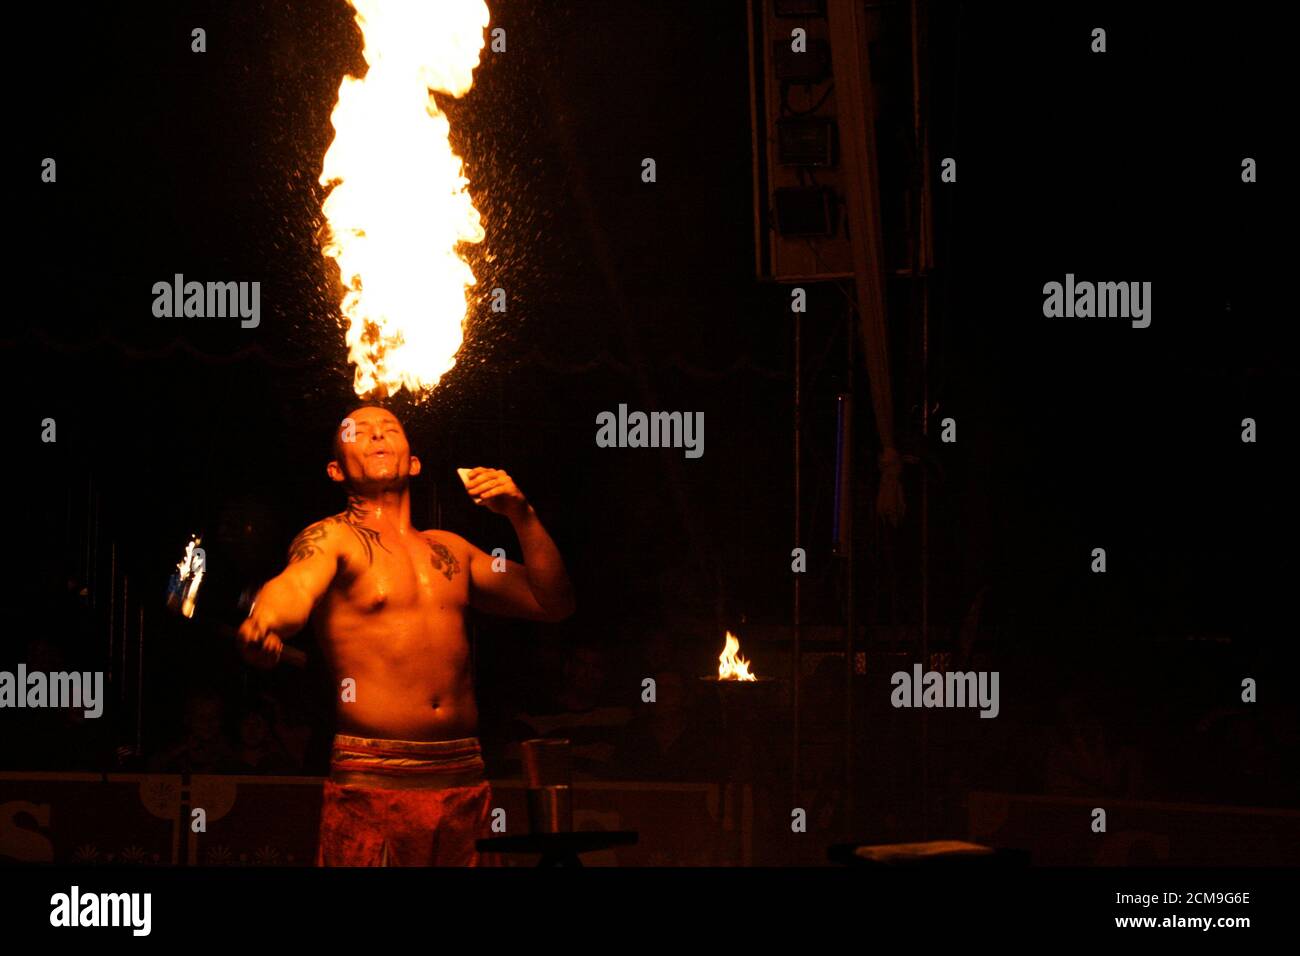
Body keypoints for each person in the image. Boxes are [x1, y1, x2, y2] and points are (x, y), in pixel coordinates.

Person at [237, 405, 575, 865]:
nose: (376, 436)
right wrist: (266, 622)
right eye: (360, 432)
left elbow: (552, 602)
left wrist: (522, 514)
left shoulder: (452, 550)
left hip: (463, 779)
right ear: (336, 470)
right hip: (375, 780)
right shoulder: (332, 539)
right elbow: (294, 587)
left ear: (413, 461)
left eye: (389, 429)